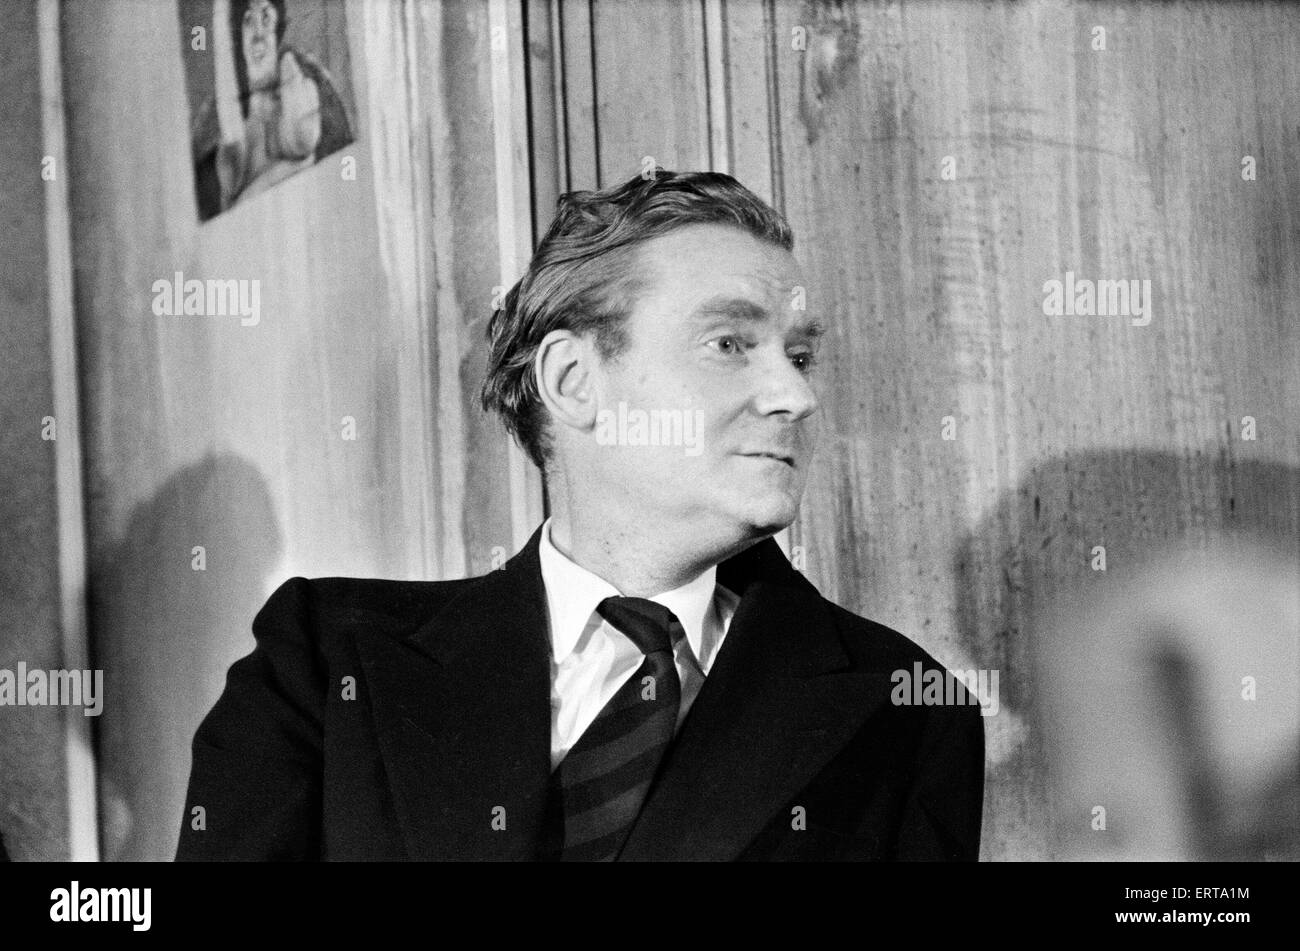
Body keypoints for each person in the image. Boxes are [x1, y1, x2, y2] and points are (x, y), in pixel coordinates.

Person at [176, 170, 985, 861]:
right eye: (731, 344)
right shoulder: (325, 659)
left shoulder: (906, 711)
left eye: (800, 355)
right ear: (572, 381)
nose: (795, 394)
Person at [191, 0, 353, 219]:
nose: (258, 34)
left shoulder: (307, 82)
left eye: (266, 18)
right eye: (248, 21)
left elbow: (346, 171)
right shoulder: (217, 117)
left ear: (278, 26)